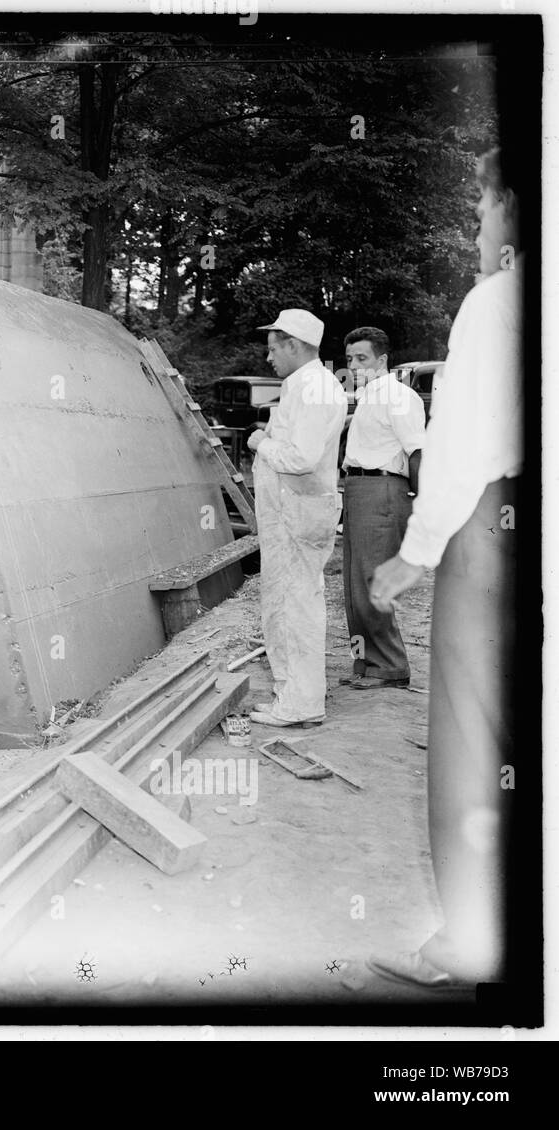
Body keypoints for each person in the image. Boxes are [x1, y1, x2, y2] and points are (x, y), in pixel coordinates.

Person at [367, 147, 524, 989]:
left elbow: (459, 449)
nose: (474, 228)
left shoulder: (498, 302)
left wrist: (411, 558)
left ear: (510, 206)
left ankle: (473, 938)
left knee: (473, 734)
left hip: (492, 527)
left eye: (479, 209)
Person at [245, 309, 348, 727]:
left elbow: (301, 459)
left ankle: (302, 703)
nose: (268, 357)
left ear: (294, 344)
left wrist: (260, 445)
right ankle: (293, 689)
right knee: (285, 600)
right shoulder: (301, 386)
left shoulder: (316, 389)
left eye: (273, 348)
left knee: (296, 604)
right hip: (290, 510)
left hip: (298, 510)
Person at [337, 326, 425, 690]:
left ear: (382, 360)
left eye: (363, 358)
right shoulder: (367, 397)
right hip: (358, 488)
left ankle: (391, 665)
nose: (354, 366)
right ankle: (369, 662)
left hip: (384, 489)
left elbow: (417, 451)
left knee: (374, 579)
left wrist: (423, 502)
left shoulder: (399, 396)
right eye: (349, 360)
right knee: (355, 584)